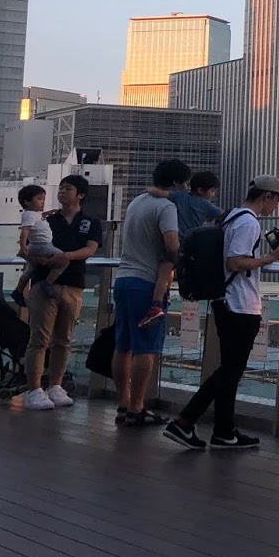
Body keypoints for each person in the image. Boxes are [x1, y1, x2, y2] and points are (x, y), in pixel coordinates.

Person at [163, 176, 279, 452]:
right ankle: (185, 421)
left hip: (225, 301)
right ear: (266, 196)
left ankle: (223, 431)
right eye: (276, 200)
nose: (276, 207)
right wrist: (269, 258)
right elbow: (234, 262)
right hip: (240, 305)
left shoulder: (232, 216)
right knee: (230, 370)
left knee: (230, 370)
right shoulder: (248, 222)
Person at [111, 160, 186, 427]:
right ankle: (137, 407)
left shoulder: (137, 202)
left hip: (123, 279)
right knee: (146, 347)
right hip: (147, 283)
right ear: (178, 183)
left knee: (123, 345)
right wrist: (180, 257)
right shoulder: (166, 207)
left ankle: (123, 403)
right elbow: (171, 243)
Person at [18, 175, 101, 412]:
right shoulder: (46, 219)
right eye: (61, 188)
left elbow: (91, 248)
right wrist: (42, 260)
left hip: (74, 284)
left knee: (64, 340)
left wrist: (66, 256)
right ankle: (34, 389)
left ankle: (56, 385)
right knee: (39, 338)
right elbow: (25, 248)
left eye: (69, 188)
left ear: (81, 194)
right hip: (44, 282)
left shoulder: (90, 221)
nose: (62, 192)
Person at [11, 185, 65, 309]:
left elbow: (39, 217)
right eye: (39, 199)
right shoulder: (29, 215)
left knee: (32, 269)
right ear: (27, 202)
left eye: (43, 199)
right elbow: (25, 231)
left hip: (36, 246)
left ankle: (18, 291)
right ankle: (48, 283)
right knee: (63, 260)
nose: (43, 202)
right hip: (42, 246)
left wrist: (47, 213)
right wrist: (23, 245)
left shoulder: (34, 214)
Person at [167, 170, 223, 237]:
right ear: (200, 190)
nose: (213, 195)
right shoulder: (205, 204)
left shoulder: (179, 196)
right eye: (212, 191)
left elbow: (162, 193)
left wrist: (151, 190)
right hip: (192, 239)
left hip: (176, 237)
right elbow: (224, 214)